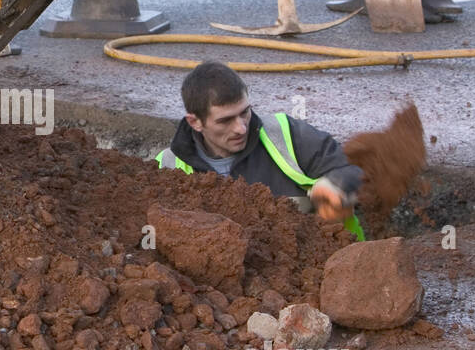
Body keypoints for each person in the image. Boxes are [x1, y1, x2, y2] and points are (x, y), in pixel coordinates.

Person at [155, 61, 365, 238]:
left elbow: (353, 167)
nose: (241, 128)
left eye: (245, 112)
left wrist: (338, 185)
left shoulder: (286, 134)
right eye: (225, 120)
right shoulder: (167, 167)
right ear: (195, 122)